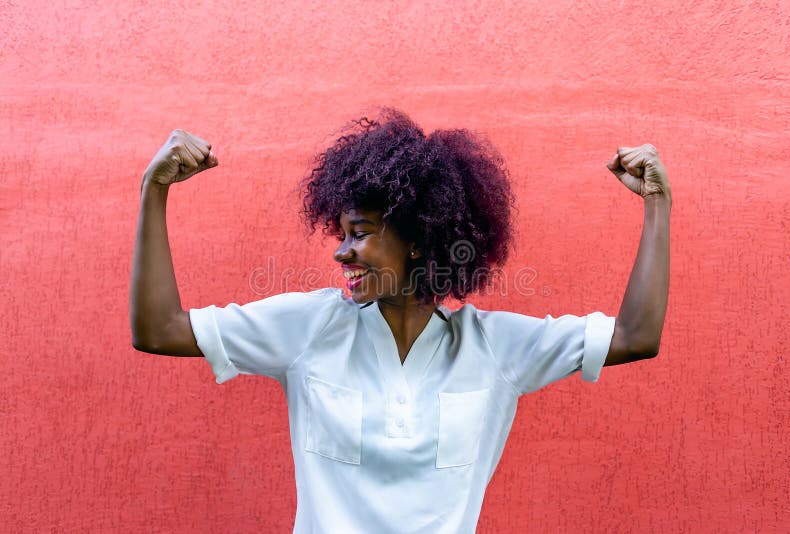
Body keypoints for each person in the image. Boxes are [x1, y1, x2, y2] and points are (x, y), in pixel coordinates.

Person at [130, 109, 671, 533]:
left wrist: (657, 203)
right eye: (340, 234)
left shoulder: (493, 348)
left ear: (417, 240)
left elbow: (634, 337)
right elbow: (159, 330)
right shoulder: (308, 328)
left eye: (359, 232)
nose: (342, 252)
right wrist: (153, 192)